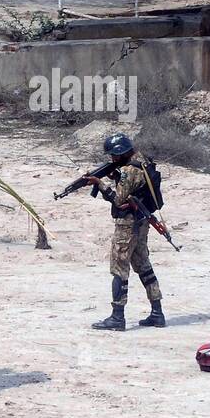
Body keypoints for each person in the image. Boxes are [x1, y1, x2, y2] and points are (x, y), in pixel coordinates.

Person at [84, 133, 165, 330]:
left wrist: (100, 184)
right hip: (142, 222)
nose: (111, 158)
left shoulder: (129, 171)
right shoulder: (141, 164)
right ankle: (157, 312)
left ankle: (117, 317)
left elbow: (118, 200)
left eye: (113, 155)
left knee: (119, 269)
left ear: (121, 153)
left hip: (127, 225)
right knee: (143, 265)